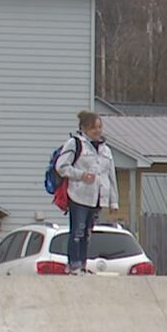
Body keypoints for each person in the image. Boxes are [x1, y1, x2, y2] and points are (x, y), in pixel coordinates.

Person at [54, 109, 118, 275]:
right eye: (92, 128)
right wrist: (81, 175)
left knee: (87, 233)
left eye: (99, 127)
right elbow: (61, 167)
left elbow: (110, 177)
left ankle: (82, 263)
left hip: (97, 197)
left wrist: (113, 201)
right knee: (77, 231)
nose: (97, 131)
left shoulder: (106, 151)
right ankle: (73, 264)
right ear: (83, 128)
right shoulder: (75, 144)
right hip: (79, 194)